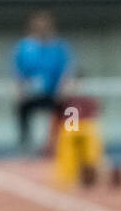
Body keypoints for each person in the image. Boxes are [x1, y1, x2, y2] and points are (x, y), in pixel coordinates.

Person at [12, 11, 74, 152]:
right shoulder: (24, 47)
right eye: (38, 26)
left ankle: (66, 139)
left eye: (45, 26)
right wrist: (19, 90)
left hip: (54, 94)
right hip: (31, 94)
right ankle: (25, 143)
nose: (42, 29)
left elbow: (67, 71)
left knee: (71, 108)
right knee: (21, 107)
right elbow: (17, 72)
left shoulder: (59, 47)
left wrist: (63, 89)